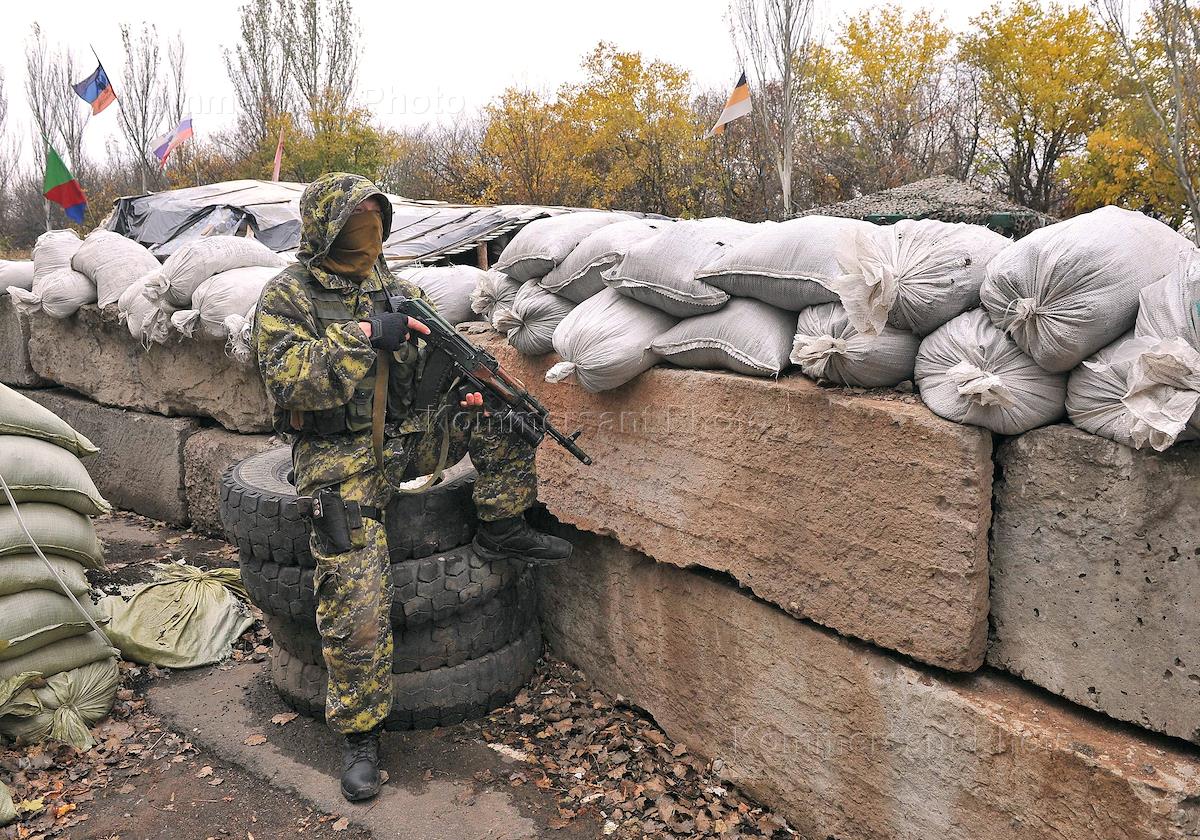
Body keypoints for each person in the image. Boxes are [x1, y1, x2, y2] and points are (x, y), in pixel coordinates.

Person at [253, 172, 572, 803]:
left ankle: (502, 525)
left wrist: (468, 390)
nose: (366, 234)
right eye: (354, 222)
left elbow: (429, 373)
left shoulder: (400, 289)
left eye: (375, 220)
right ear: (324, 227)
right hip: (337, 457)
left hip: (403, 438)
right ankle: (361, 733)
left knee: (497, 411)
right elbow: (289, 384)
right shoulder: (286, 296)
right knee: (355, 594)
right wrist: (366, 336)